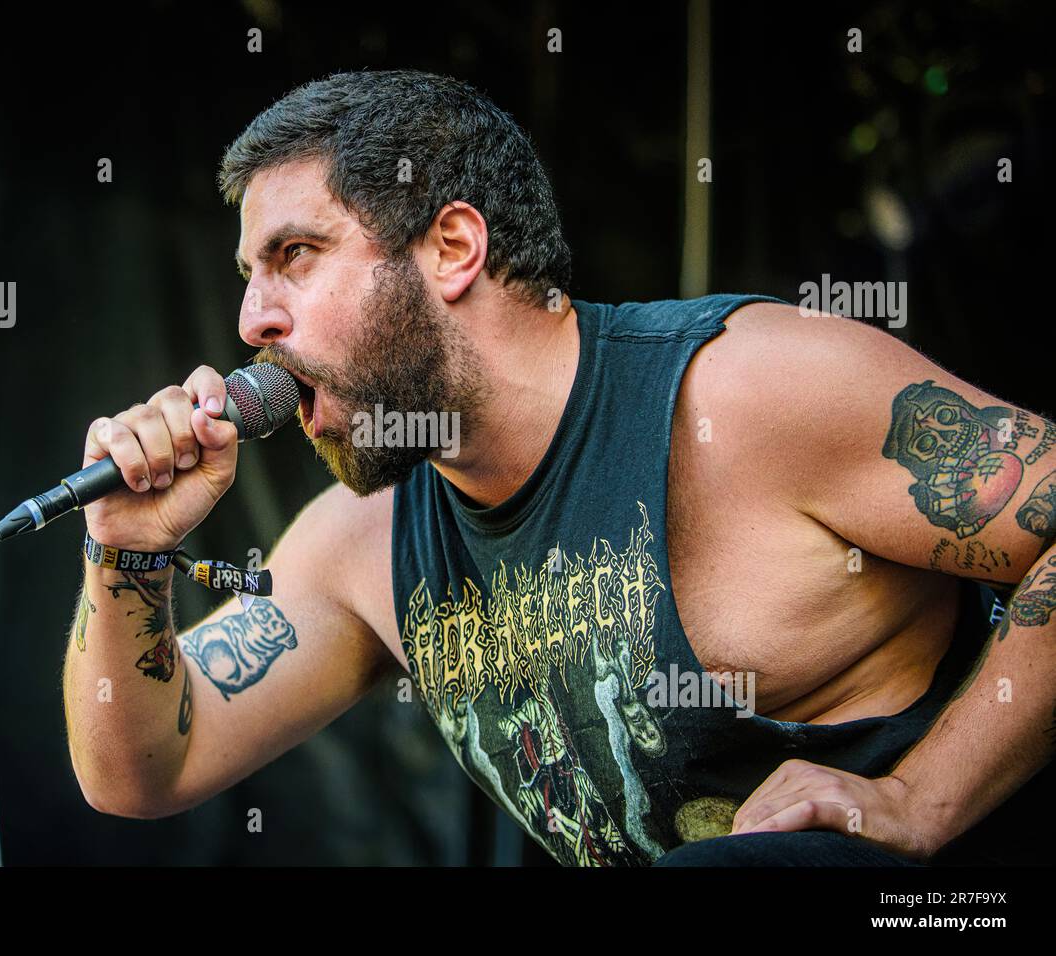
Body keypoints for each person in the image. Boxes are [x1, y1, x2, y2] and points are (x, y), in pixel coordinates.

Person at [61, 70, 1056, 866]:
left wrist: (920, 799)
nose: (251, 321)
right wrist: (126, 554)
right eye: (249, 275)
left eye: (295, 254)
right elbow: (144, 768)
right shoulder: (363, 545)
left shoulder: (750, 389)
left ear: (452, 245)